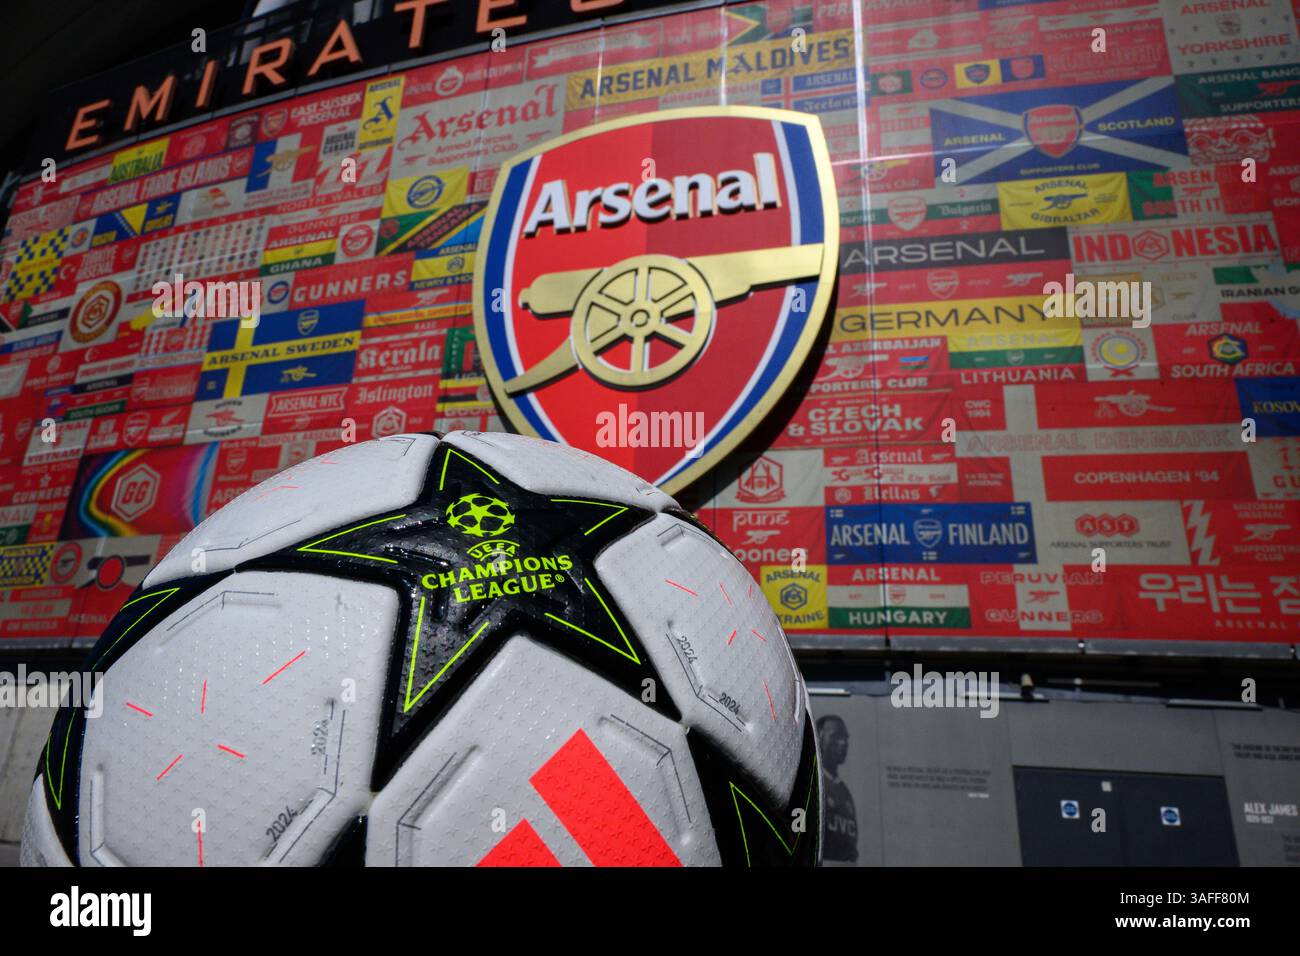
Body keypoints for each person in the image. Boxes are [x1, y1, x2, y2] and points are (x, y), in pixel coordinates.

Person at [817, 713, 858, 863]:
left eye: (845, 738)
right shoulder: (813, 782)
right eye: (835, 736)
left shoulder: (844, 792)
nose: (843, 743)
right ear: (819, 738)